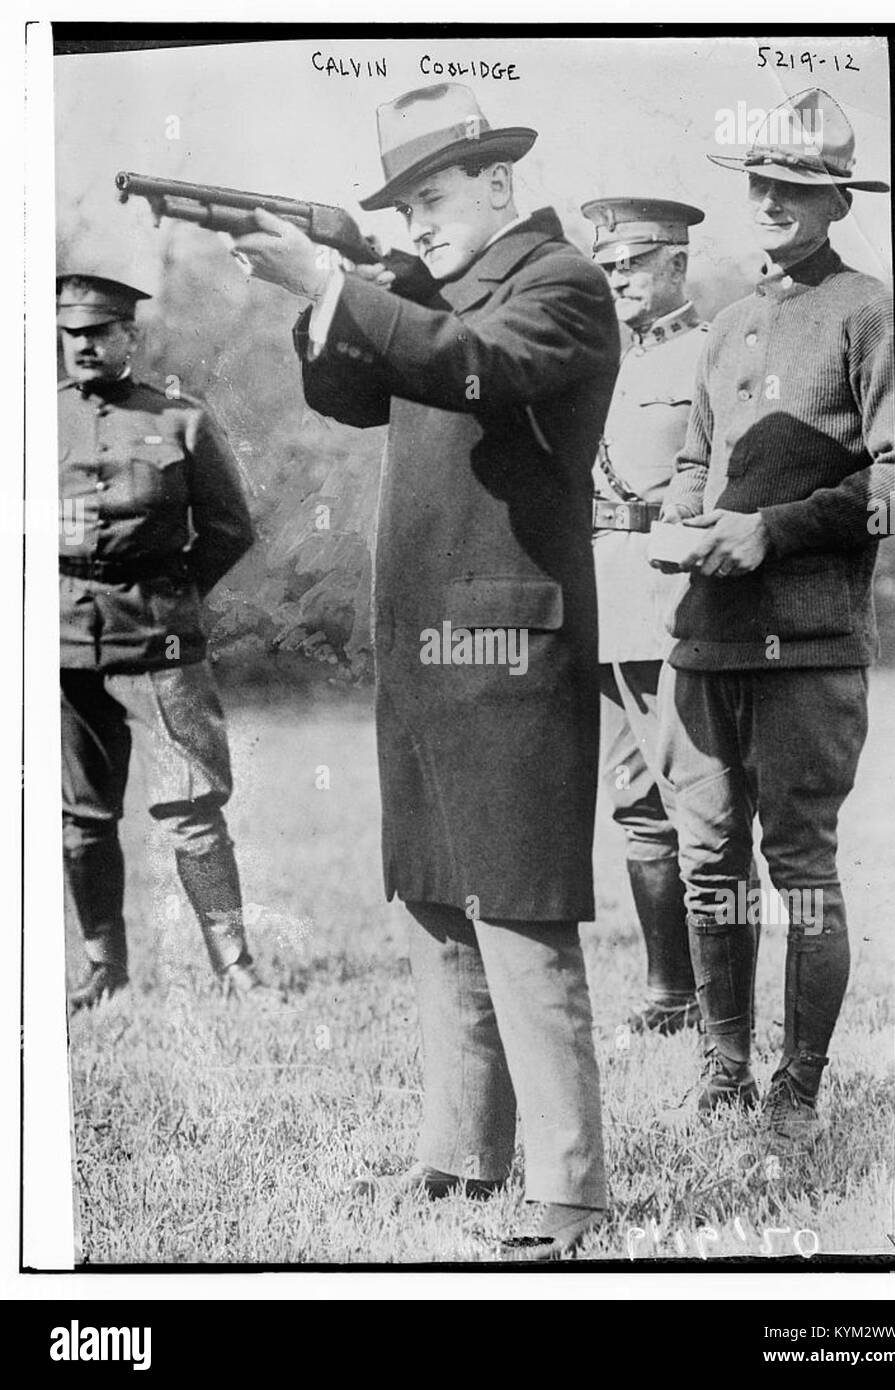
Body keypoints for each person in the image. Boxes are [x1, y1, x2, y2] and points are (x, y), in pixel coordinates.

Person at [230, 82, 619, 1258]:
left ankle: (571, 1184)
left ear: (502, 184)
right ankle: (462, 1155)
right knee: (436, 901)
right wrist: (325, 303)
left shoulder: (561, 285)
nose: (419, 222)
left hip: (508, 639)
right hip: (427, 641)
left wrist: (341, 284)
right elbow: (349, 391)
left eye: (434, 198)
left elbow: (475, 369)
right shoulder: (437, 294)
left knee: (520, 907)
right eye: (402, 206)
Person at [653, 89, 894, 1143]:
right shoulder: (727, 322)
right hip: (703, 640)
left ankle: (796, 1089)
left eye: (796, 183)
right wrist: (680, 518)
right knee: (709, 862)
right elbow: (696, 464)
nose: (773, 199)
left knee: (800, 869)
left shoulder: (870, 310)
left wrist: (776, 531)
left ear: (837, 195)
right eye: (759, 180)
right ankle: (723, 1070)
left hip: (808, 645)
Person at [58, 272, 265, 1011]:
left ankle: (235, 967)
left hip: (158, 636)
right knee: (81, 816)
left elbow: (231, 528)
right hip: (65, 640)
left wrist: (172, 595)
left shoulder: (181, 421)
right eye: (71, 333)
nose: (83, 346)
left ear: (129, 337)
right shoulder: (30, 420)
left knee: (193, 808)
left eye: (99, 333)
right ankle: (101, 967)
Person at [581, 196, 708, 1036]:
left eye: (635, 261)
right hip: (605, 600)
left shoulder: (714, 352)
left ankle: (718, 1005)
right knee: (634, 803)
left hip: (676, 604)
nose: (620, 278)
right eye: (611, 265)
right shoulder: (599, 362)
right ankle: (669, 996)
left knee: (701, 806)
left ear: (677, 265)